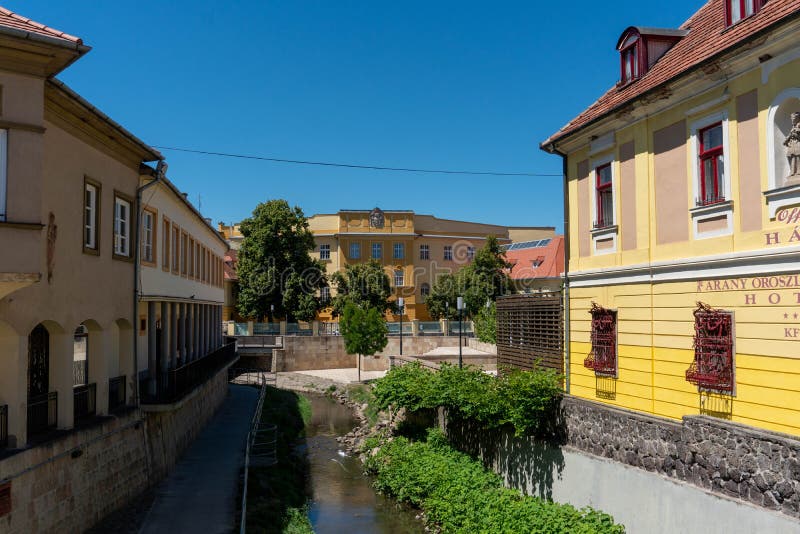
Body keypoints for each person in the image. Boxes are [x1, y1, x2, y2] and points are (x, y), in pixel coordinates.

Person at [785, 111, 800, 177]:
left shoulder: (799, 126)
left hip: (798, 143)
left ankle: (798, 171)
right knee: (792, 156)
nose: (792, 120)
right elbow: (790, 135)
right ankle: (792, 171)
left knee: (798, 156)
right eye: (791, 118)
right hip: (792, 144)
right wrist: (787, 139)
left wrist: (796, 135)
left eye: (793, 118)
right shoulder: (793, 127)